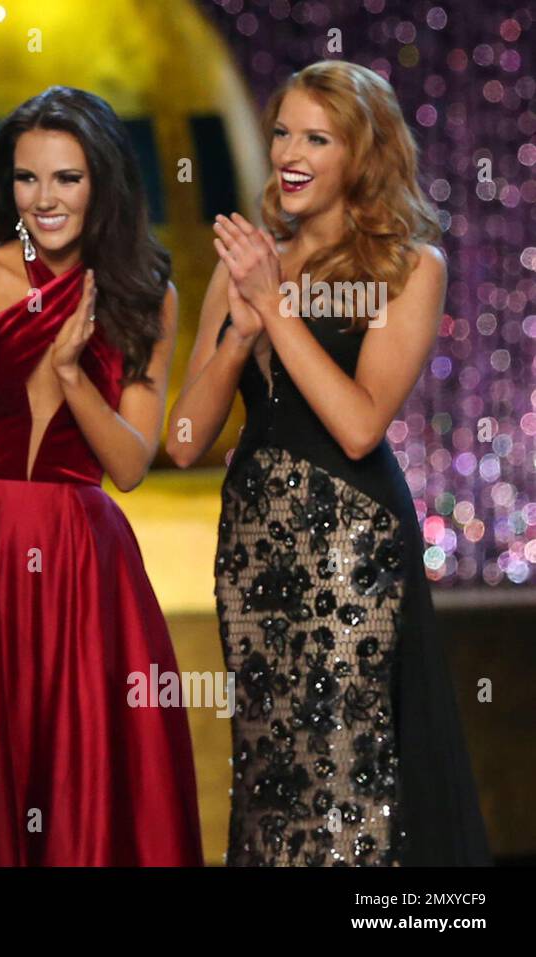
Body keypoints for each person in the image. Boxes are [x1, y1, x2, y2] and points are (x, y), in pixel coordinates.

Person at [167, 60, 490, 865]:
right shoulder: (249, 261)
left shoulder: (408, 265)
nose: (290, 151)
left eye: (318, 136)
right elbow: (181, 441)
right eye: (282, 131)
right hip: (254, 551)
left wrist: (275, 307)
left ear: (363, 153)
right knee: (272, 762)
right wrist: (240, 327)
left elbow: (356, 425)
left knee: (347, 764)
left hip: (352, 550)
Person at [0, 86, 202, 866]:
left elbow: (131, 464)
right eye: (26, 178)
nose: (44, 199)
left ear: (103, 182)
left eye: (66, 179)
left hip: (85, 568)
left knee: (82, 781)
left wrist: (75, 377)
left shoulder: (147, 294)